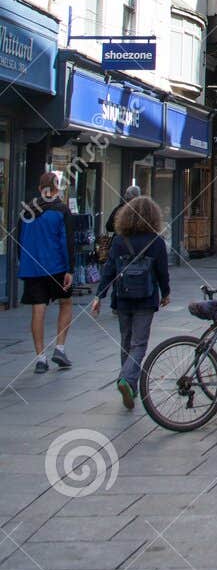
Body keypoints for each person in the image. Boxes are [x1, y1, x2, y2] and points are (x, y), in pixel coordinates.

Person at [91, 194, 170, 408]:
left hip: (123, 297)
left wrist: (99, 295)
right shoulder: (156, 241)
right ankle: (127, 379)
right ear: (153, 217)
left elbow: (109, 270)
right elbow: (162, 271)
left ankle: (130, 384)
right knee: (139, 344)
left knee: (126, 341)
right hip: (145, 298)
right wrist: (166, 293)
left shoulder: (119, 241)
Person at [18, 171, 77, 374]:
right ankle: (60, 347)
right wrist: (70, 268)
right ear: (57, 187)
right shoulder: (61, 210)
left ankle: (40, 357)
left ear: (39, 188)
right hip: (57, 266)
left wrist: (23, 262)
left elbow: (20, 241)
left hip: (32, 267)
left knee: (38, 309)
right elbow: (67, 240)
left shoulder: (27, 211)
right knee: (66, 303)